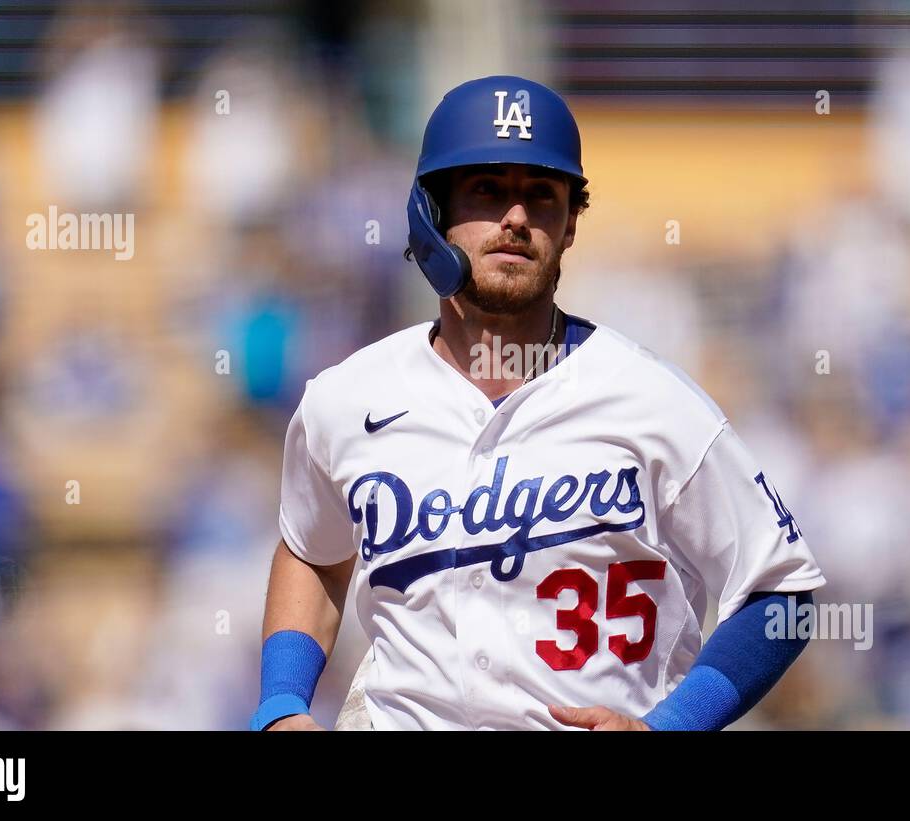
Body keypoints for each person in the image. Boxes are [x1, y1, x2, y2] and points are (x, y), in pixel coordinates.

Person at [252, 75, 825, 731]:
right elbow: (313, 549)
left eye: (541, 196)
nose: (516, 218)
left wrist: (675, 724)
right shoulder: (348, 398)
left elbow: (784, 594)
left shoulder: (651, 401)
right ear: (430, 213)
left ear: (571, 223)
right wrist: (282, 702)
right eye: (489, 191)